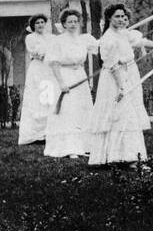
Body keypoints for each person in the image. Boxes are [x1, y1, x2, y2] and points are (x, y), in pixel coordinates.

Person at [89, 4, 153, 167]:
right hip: (116, 79)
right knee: (120, 114)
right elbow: (112, 65)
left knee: (129, 114)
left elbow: (140, 41)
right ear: (109, 18)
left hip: (128, 74)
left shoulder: (122, 33)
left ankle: (128, 155)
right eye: (117, 17)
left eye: (122, 16)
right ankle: (119, 157)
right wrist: (121, 87)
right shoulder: (108, 38)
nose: (121, 20)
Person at [44, 8, 98, 158]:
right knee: (68, 110)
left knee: (83, 108)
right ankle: (69, 148)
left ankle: (84, 146)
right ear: (64, 24)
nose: (73, 24)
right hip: (65, 75)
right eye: (70, 22)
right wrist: (61, 83)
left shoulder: (84, 39)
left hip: (80, 75)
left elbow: (101, 47)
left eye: (75, 21)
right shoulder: (58, 41)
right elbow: (54, 63)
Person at [17, 14, 53, 145]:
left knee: (48, 97)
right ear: (33, 25)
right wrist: (46, 53)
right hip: (37, 68)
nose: (40, 25)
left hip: (48, 69)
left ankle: (47, 131)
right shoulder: (30, 38)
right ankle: (35, 134)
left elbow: (55, 49)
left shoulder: (50, 37)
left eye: (42, 22)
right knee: (36, 98)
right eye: (37, 23)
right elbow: (36, 52)